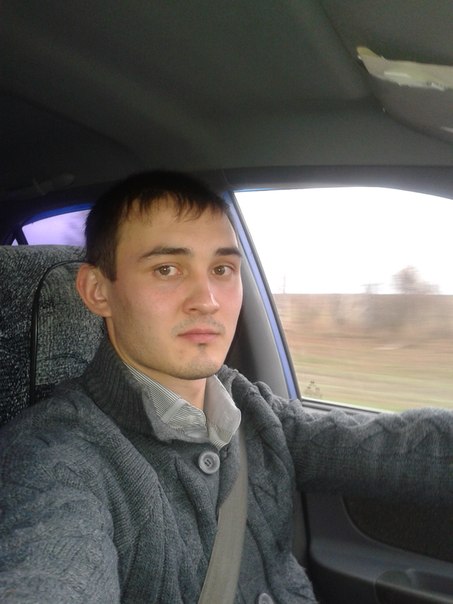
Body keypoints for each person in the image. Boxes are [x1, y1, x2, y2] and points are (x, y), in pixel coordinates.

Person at [1, 171, 452, 604]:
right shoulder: (54, 456)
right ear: (98, 291)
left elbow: (397, 450)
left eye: (221, 269)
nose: (208, 300)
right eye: (166, 269)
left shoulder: (249, 408)